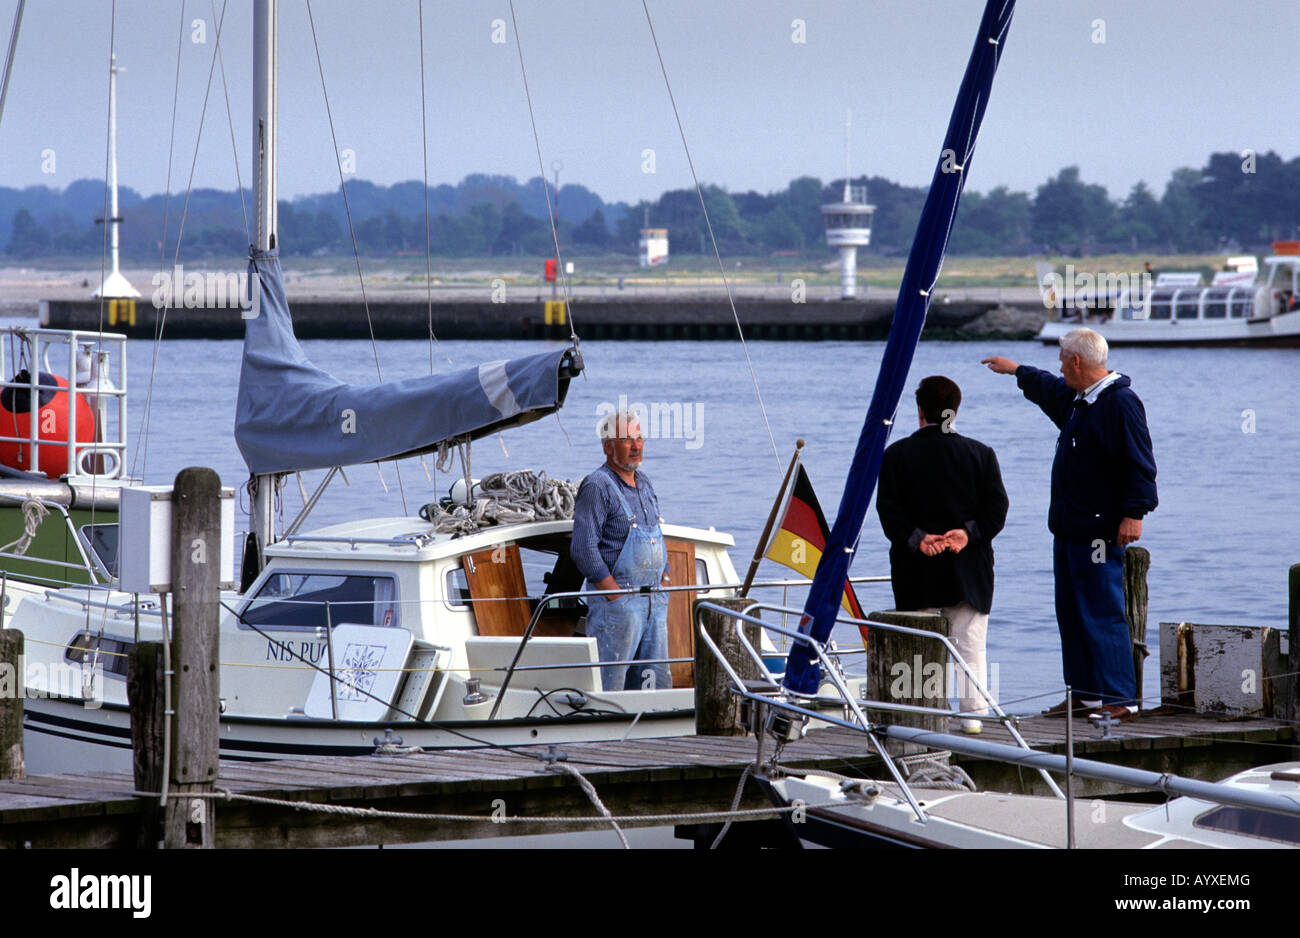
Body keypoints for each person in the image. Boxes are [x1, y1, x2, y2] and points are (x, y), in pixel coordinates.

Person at [981, 328, 1157, 723]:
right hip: (1070, 528)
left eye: (1062, 361)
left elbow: (1141, 464)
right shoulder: (1080, 402)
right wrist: (1017, 371)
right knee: (1071, 612)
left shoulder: (1120, 404)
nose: (1059, 369)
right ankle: (1087, 695)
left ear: (1077, 362)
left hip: (1099, 531)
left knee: (1101, 611)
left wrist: (1135, 514)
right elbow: (1050, 390)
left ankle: (1119, 698)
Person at [876, 376, 1008, 735]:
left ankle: (921, 716)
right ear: (955, 410)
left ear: (920, 411)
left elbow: (889, 511)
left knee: (918, 647)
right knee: (969, 647)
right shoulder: (981, 454)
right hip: (968, 566)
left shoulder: (895, 455)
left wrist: (918, 539)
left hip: (916, 567)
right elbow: (996, 510)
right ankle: (972, 717)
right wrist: (967, 533)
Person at [570, 410, 672, 692]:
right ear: (608, 447)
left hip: (655, 603)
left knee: (654, 689)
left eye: (639, 438)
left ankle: (653, 733)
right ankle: (606, 732)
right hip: (618, 607)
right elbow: (583, 549)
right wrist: (615, 596)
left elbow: (658, 536)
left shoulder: (645, 483)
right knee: (610, 688)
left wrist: (664, 581)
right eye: (627, 440)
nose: (636, 446)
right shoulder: (597, 486)